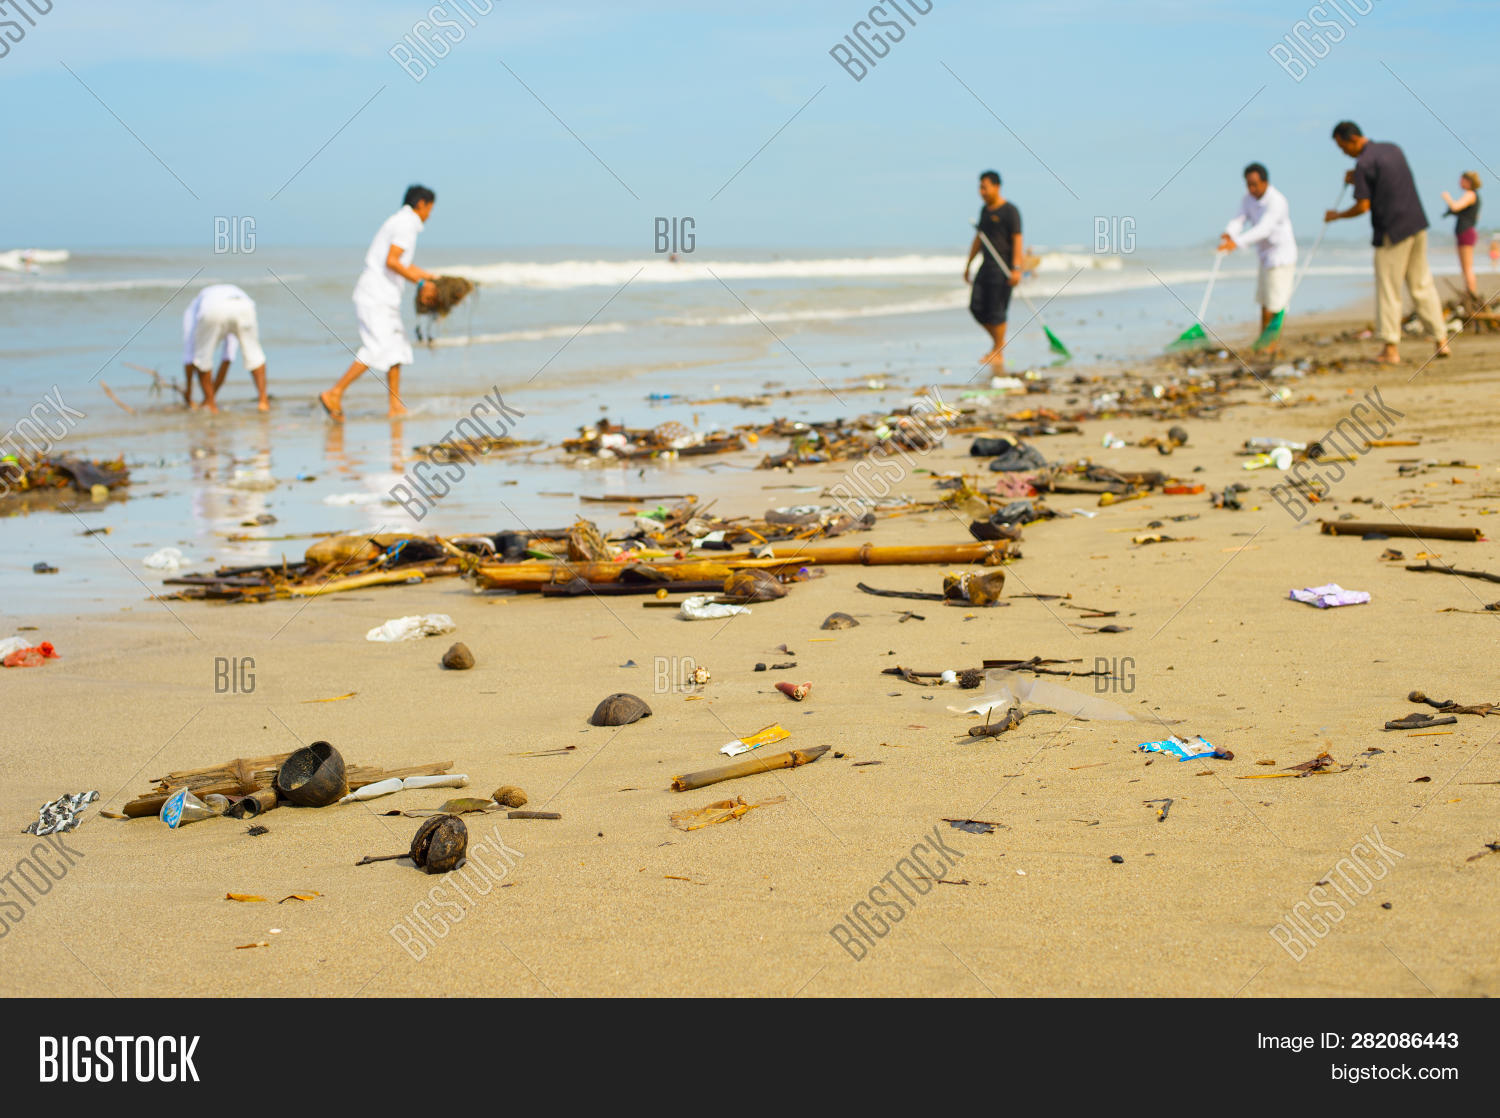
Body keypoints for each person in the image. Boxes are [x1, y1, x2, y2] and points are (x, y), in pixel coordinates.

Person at [1326, 122, 1449, 364]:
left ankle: (1390, 349)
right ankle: (1441, 340)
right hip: (1416, 224)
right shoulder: (1393, 149)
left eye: (1342, 147)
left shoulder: (1363, 164)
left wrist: (1336, 215)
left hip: (1391, 232)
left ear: (1350, 139)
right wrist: (1359, 180)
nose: (1344, 153)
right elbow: (1387, 183)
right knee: (1422, 284)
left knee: (1389, 289)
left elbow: (1363, 206)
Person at [320, 185, 441, 421]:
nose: (430, 215)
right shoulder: (407, 224)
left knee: (397, 349)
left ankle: (395, 406)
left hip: (382, 296)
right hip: (376, 297)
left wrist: (430, 277)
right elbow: (392, 262)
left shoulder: (400, 222)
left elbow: (402, 264)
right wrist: (420, 283)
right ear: (422, 204)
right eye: (430, 209)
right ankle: (334, 393)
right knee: (377, 348)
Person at [1219, 162, 1296, 353]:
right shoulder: (1248, 199)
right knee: (1264, 300)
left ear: (1265, 182)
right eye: (1248, 184)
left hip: (1281, 256)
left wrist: (1236, 243)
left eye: (1254, 184)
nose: (1251, 188)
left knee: (1277, 303)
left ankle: (1271, 343)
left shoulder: (1277, 201)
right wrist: (1229, 233)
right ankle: (1263, 338)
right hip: (1264, 256)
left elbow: (1264, 228)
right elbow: (1239, 219)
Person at [963, 170, 1023, 370]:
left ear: (997, 186)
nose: (981, 191)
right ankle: (998, 345)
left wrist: (1016, 268)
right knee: (976, 308)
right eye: (980, 187)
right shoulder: (985, 212)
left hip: (1004, 268)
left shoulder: (1010, 211)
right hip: (986, 266)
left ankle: (998, 351)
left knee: (997, 312)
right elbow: (979, 239)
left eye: (984, 187)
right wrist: (968, 264)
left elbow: (1017, 240)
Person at [181, 284, 268, 414]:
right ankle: (263, 401)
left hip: (213, 308)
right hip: (244, 304)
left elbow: (190, 357)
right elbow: (228, 357)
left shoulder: (192, 309)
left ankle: (211, 406)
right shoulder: (219, 294)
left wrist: (188, 393)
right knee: (254, 353)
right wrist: (212, 393)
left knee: (202, 356)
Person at [1440, 171, 1482, 299]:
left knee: (1467, 267)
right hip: (1466, 232)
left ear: (1468, 181)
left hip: (1466, 232)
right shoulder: (1474, 196)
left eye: (1461, 180)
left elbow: (1456, 207)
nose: (1459, 183)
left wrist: (1447, 197)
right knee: (1465, 267)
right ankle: (1469, 293)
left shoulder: (1470, 194)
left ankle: (1471, 294)